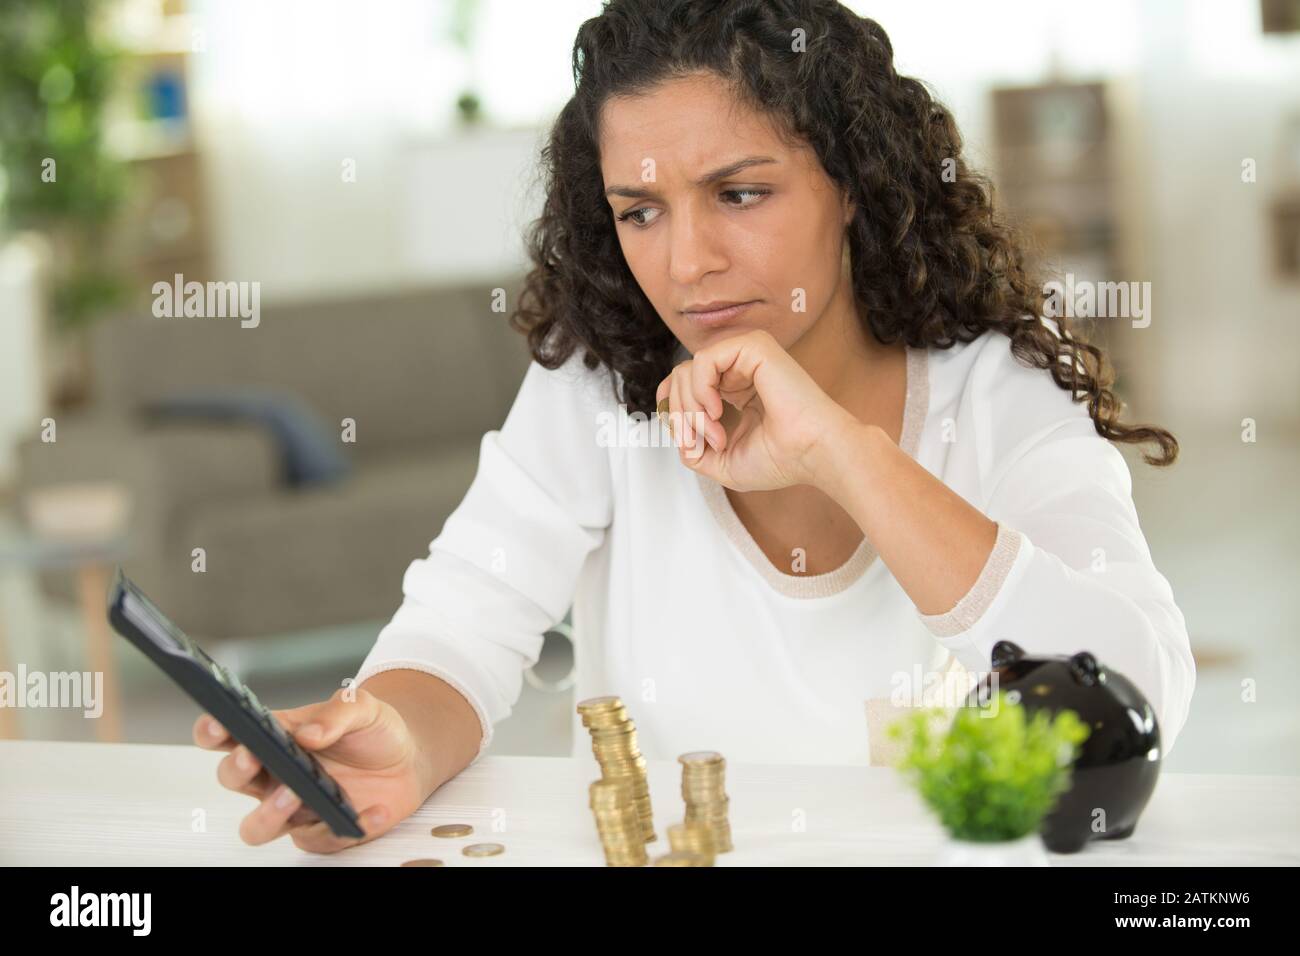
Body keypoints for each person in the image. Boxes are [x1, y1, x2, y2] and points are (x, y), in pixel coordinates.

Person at [194, 0, 1194, 853]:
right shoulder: (599, 386)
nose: (687, 263)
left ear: (851, 182)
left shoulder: (991, 390)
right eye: (641, 211)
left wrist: (842, 453)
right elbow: (462, 626)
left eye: (740, 192)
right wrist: (395, 749)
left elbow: (1136, 689)